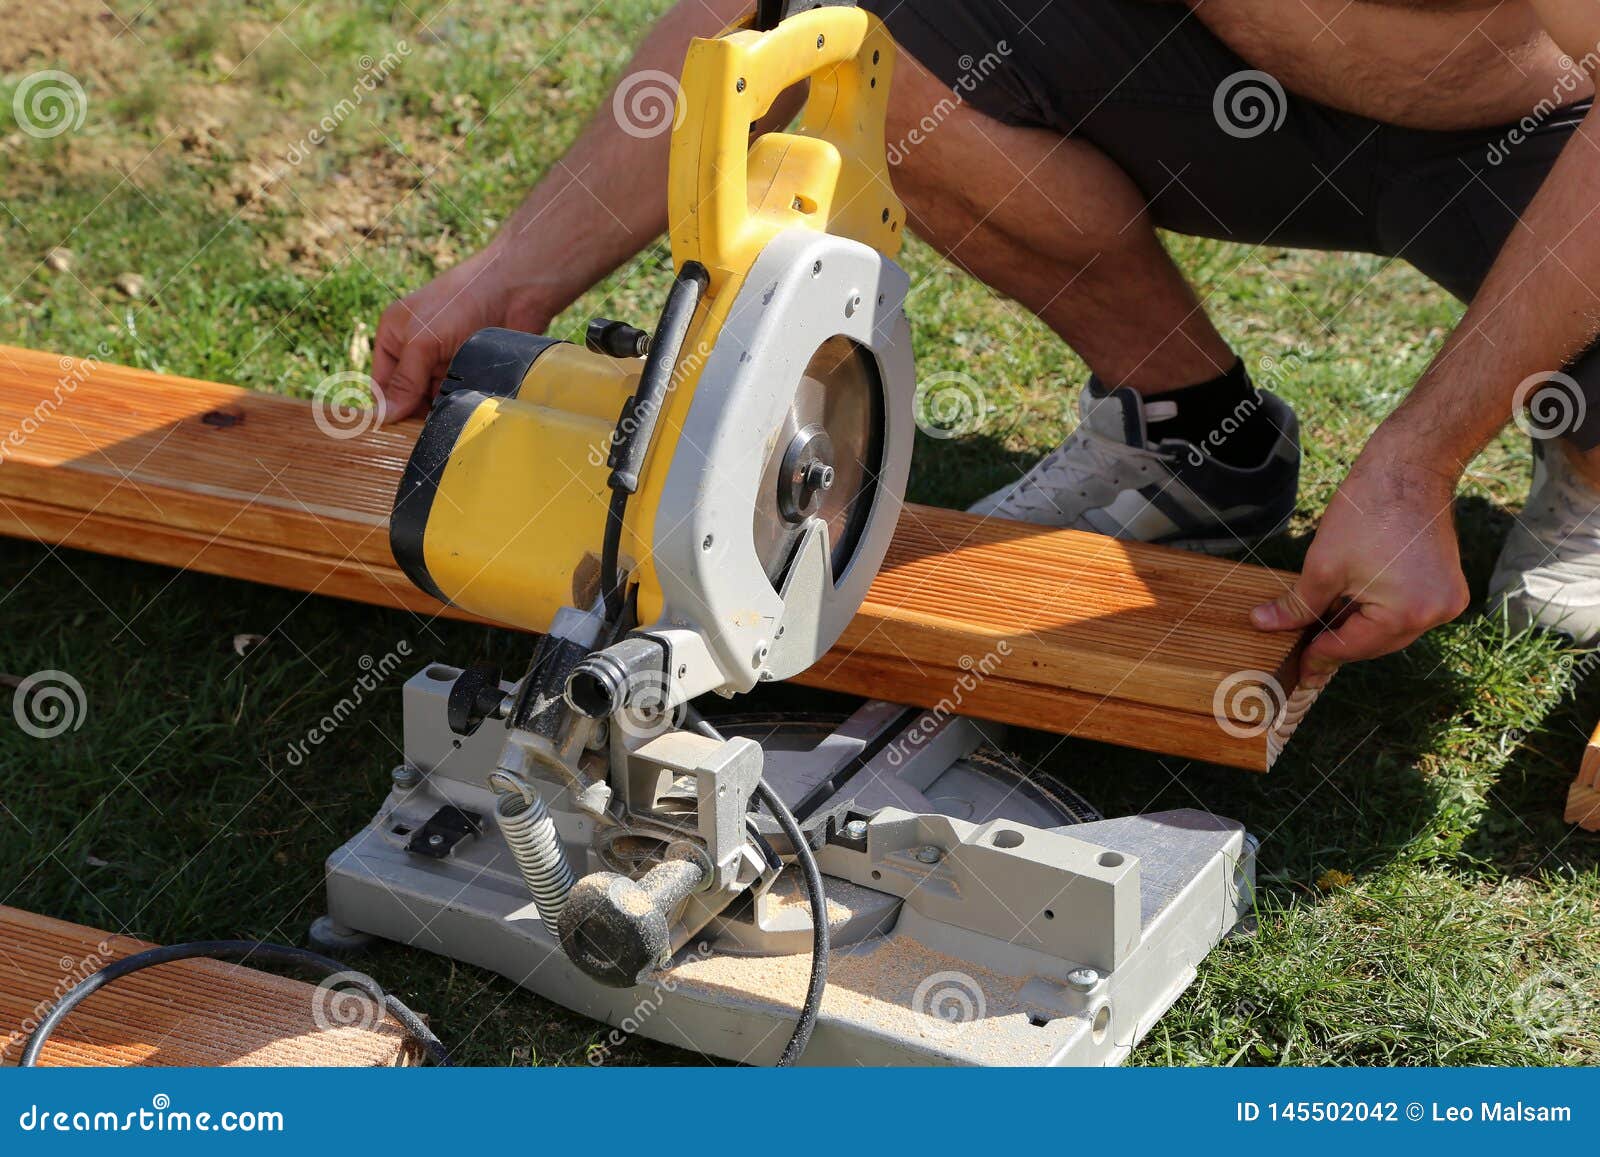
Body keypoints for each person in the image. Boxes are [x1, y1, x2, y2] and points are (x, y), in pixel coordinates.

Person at [374, 0, 1600, 689]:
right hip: (1247, 79)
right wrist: (507, 277)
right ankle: (1191, 441)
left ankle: (1588, 473)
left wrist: (1413, 463)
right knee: (871, 37)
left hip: (1550, 131)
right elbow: (751, 12)